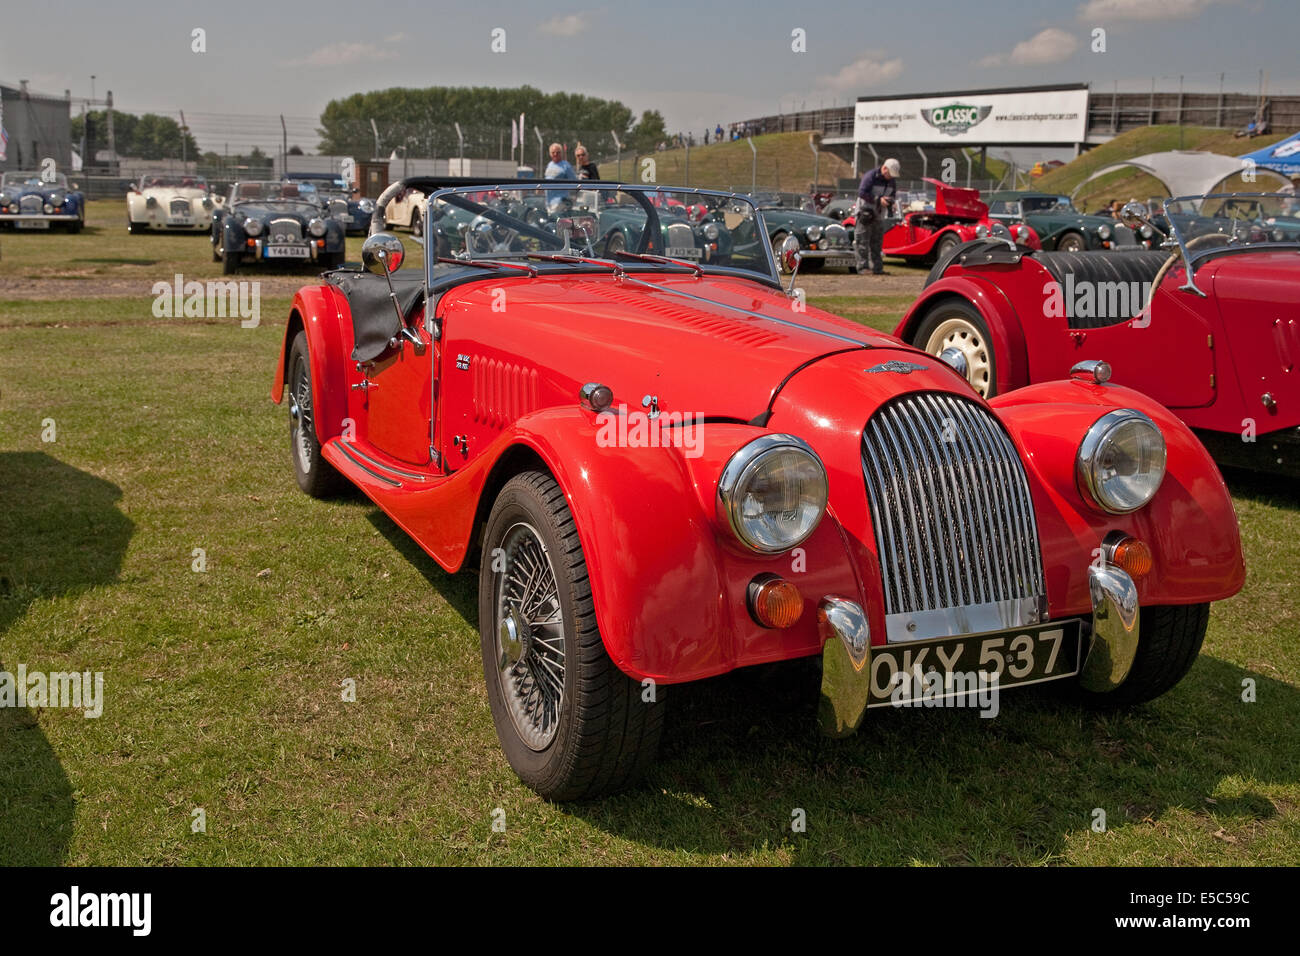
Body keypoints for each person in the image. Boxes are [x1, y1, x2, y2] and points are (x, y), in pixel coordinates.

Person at [854, 157, 899, 275]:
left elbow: (892, 194)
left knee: (877, 243)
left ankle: (877, 268)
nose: (891, 177)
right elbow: (862, 192)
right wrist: (878, 200)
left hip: (879, 215)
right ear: (884, 168)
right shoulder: (871, 176)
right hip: (866, 213)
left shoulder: (891, 181)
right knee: (862, 241)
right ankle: (862, 268)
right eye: (890, 174)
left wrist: (891, 202)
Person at [544, 142, 576, 212]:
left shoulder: (566, 166)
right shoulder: (549, 164)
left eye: (558, 152)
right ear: (550, 153)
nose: (555, 154)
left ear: (561, 153)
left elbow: (574, 183)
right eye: (553, 152)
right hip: (548, 201)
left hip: (560, 202)